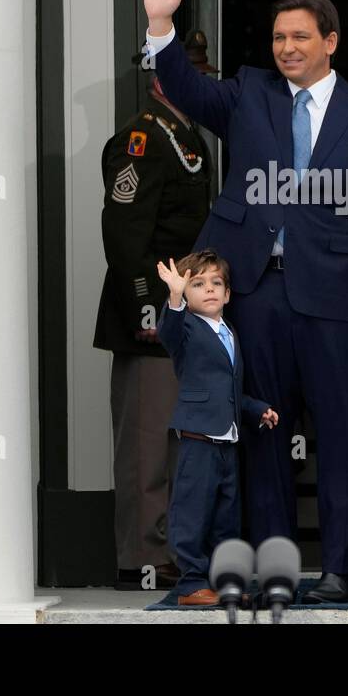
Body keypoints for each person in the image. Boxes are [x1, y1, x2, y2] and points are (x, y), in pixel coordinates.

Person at [141, 0, 348, 604]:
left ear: (330, 42)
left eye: (300, 36)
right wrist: (161, 27)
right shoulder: (247, 92)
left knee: (343, 431)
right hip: (254, 292)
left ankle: (338, 570)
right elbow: (185, 87)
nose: (287, 48)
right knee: (264, 433)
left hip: (337, 295)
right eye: (278, 38)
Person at [93, 40, 213, 591]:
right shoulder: (142, 139)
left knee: (176, 438)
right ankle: (141, 555)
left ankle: (169, 546)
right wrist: (148, 306)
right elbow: (124, 234)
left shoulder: (184, 134)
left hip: (181, 309)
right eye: (187, 71)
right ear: (159, 77)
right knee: (146, 440)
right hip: (150, 313)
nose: (198, 79)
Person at [155, 250, 279, 606]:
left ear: (227, 294)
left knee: (226, 517)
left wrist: (257, 410)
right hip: (197, 439)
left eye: (216, 283)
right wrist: (175, 295)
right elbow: (169, 331)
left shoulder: (230, 333)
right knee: (192, 513)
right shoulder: (186, 329)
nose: (208, 289)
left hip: (227, 441)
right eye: (197, 284)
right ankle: (191, 584)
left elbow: (231, 391)